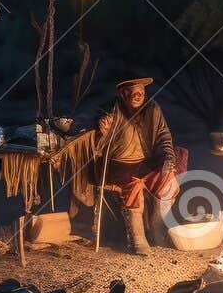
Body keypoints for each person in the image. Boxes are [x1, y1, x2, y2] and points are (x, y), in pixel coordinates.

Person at [71, 77, 181, 255]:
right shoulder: (112, 109)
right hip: (119, 166)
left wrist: (168, 157)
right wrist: (103, 132)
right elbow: (93, 141)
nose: (137, 96)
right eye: (133, 93)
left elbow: (163, 136)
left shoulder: (152, 109)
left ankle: (158, 230)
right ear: (123, 94)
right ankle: (137, 239)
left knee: (167, 182)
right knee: (134, 186)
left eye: (141, 93)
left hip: (145, 162)